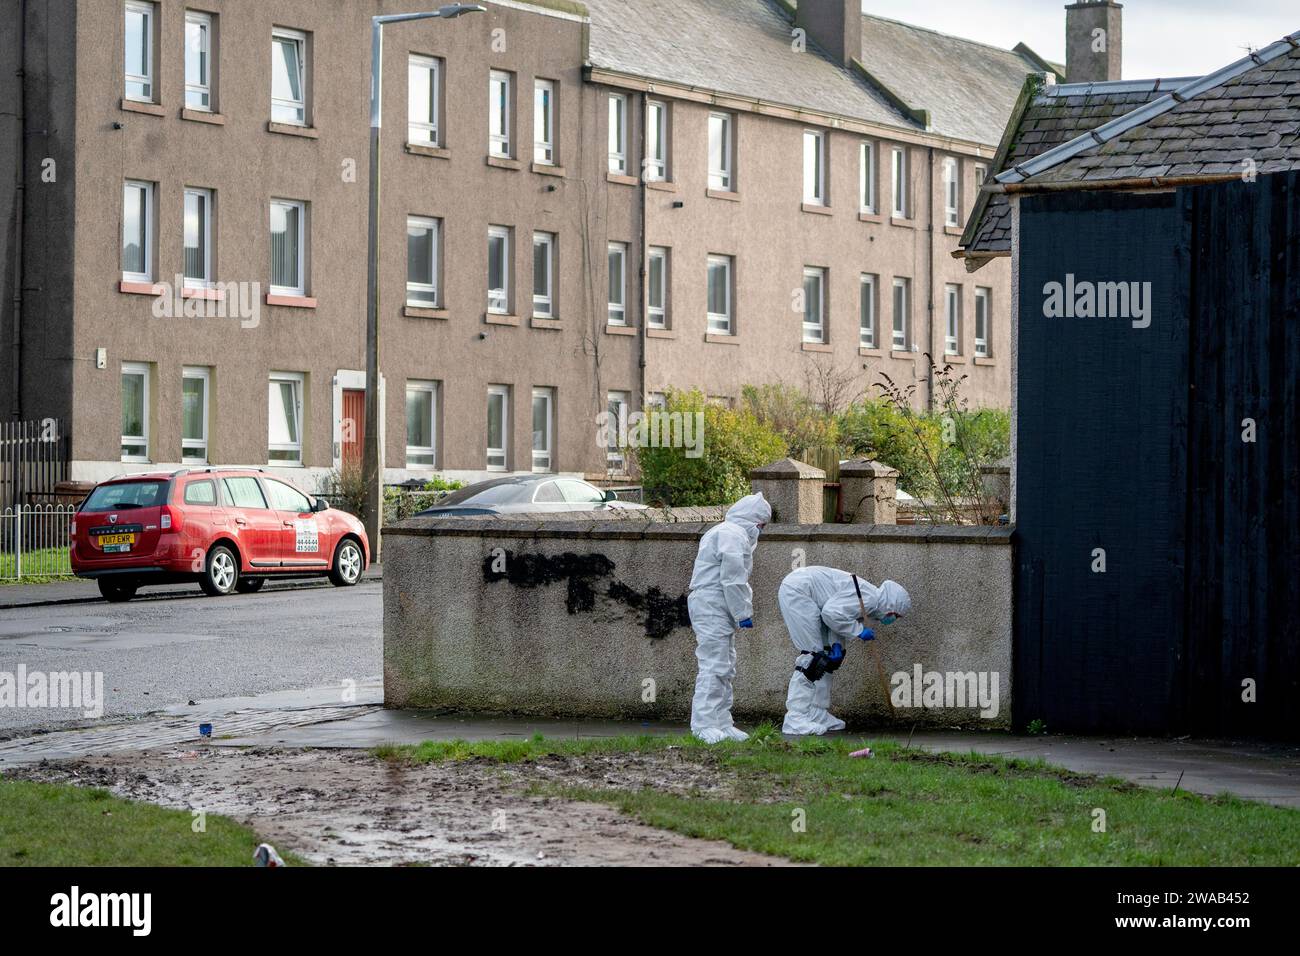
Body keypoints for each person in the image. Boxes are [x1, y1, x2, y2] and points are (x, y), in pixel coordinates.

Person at [777, 566, 911, 736]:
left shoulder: (870, 602)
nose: (893, 619)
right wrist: (858, 631)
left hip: (807, 594)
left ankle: (817, 713)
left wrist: (836, 644)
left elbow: (838, 614)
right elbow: (832, 614)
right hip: (799, 593)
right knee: (812, 658)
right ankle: (795, 718)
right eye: (896, 616)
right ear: (892, 607)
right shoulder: (869, 599)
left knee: (827, 660)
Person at [687, 492, 771, 743]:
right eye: (761, 526)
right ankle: (703, 724)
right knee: (714, 664)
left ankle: (722, 723)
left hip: (715, 603)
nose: (760, 531)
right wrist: (743, 611)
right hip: (712, 603)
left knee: (724, 664)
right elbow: (733, 578)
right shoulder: (731, 535)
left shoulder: (728, 532)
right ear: (753, 521)